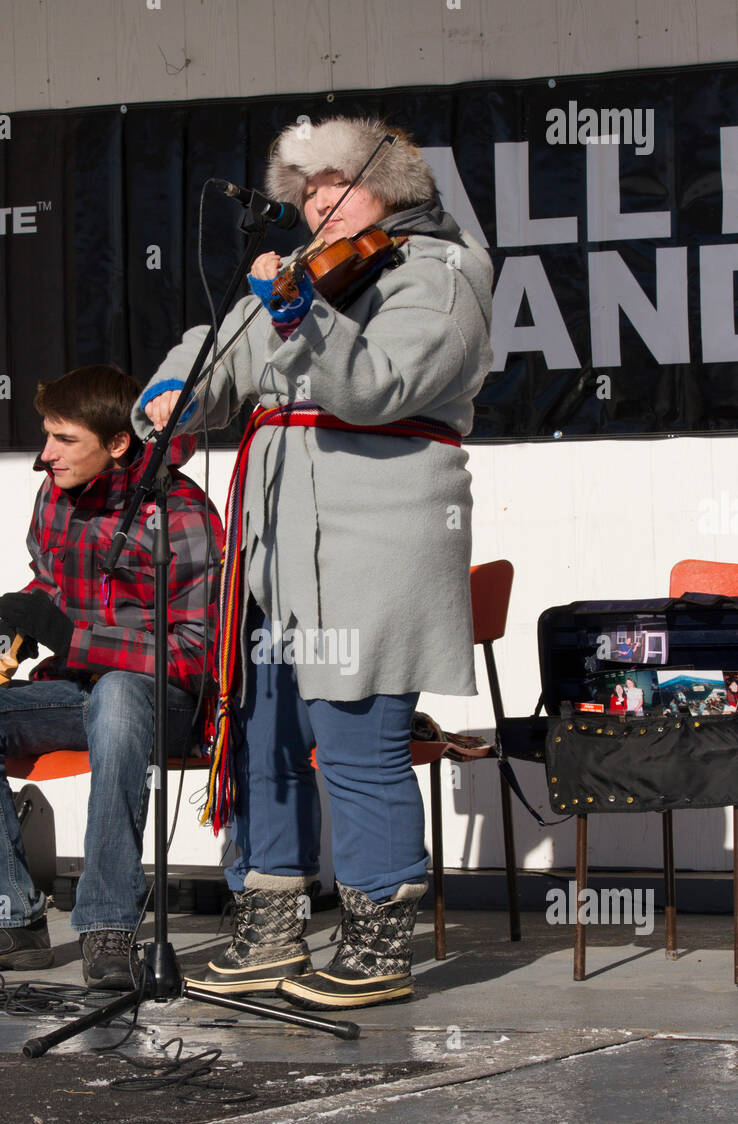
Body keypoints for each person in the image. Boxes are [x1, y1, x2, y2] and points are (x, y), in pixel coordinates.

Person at [133, 115, 494, 1010]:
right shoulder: (288, 278)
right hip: (275, 544)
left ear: (393, 188)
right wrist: (172, 392)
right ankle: (272, 920)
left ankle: (379, 940)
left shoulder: (440, 273)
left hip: (371, 537)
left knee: (357, 738)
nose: (319, 202)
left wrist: (303, 315)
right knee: (262, 731)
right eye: (308, 190)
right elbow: (214, 355)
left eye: (339, 183)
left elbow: (376, 387)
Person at [0, 365, 223, 988]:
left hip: (163, 704)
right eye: (46, 435)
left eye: (63, 439)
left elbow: (195, 652)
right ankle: (8, 917)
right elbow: (50, 584)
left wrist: (74, 637)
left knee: (117, 694)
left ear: (117, 444)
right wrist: (24, 622)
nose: (45, 455)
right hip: (80, 687)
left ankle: (108, 926)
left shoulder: (181, 511)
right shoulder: (54, 493)